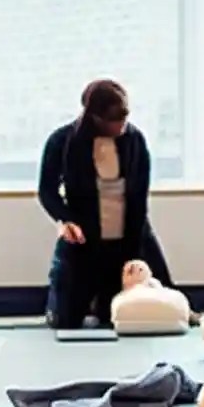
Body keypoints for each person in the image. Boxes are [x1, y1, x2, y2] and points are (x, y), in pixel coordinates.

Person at [38, 79, 176, 328]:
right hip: (85, 240)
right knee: (64, 320)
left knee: (128, 314)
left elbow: (139, 199)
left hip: (128, 238)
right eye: (114, 119)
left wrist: (136, 254)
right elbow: (46, 190)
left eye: (124, 117)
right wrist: (65, 219)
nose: (120, 125)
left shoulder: (135, 140)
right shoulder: (62, 141)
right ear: (95, 117)